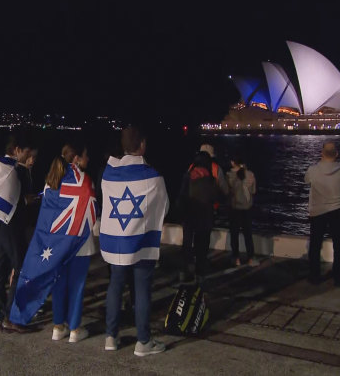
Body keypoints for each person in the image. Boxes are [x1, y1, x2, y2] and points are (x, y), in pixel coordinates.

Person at [9, 146, 98, 342]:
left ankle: (58, 327)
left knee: (58, 284)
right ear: (76, 158)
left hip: (56, 246)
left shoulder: (51, 182)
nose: (88, 159)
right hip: (80, 244)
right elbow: (92, 210)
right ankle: (75, 328)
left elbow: (48, 218)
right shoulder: (84, 181)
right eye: (86, 155)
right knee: (77, 286)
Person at [100, 126, 169, 356]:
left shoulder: (108, 174)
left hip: (116, 241)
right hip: (141, 242)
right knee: (142, 290)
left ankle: (111, 336)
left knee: (115, 285)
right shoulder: (153, 177)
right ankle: (143, 342)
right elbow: (163, 207)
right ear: (142, 145)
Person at [0, 134, 33, 332]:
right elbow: (21, 200)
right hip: (12, 226)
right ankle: (10, 316)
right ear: (17, 150)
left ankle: (0, 316)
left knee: (0, 272)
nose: (28, 155)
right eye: (27, 152)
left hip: (0, 224)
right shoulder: (14, 171)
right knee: (19, 269)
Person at [304, 141, 340, 287]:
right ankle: (338, 277)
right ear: (336, 154)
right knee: (338, 243)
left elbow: (306, 182)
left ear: (321, 154)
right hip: (338, 210)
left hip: (318, 211)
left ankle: (314, 276)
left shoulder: (313, 170)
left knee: (315, 244)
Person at [178, 151, 218, 282]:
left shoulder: (188, 176)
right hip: (205, 216)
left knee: (187, 243)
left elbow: (182, 195)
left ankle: (186, 270)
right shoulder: (210, 179)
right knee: (202, 245)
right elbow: (216, 196)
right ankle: (200, 272)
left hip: (189, 216)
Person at [227, 155, 257, 267]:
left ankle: (236, 259)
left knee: (234, 234)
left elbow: (226, 191)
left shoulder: (229, 175)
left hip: (234, 209)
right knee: (248, 235)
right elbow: (253, 191)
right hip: (247, 209)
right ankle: (250, 258)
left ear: (232, 162)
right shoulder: (250, 174)